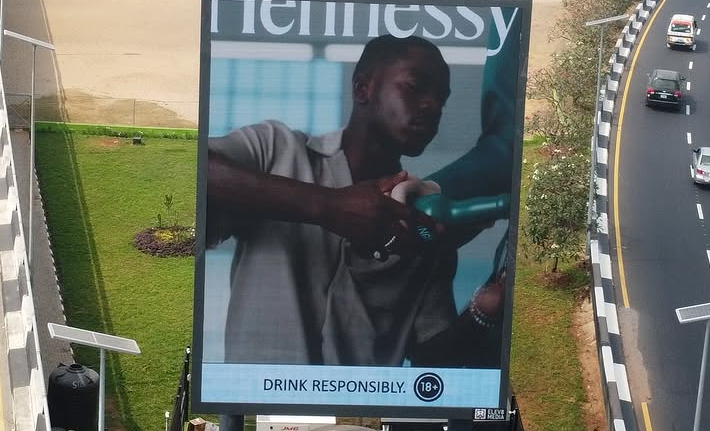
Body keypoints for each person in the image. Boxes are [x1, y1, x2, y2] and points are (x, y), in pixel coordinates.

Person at [203, 35, 505, 367]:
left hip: (361, 415)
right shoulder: (274, 148)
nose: (432, 106)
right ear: (363, 89)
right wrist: (329, 207)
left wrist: (485, 310)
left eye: (441, 98)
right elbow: (199, 168)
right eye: (415, 87)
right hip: (252, 410)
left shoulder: (422, 220)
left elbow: (429, 357)